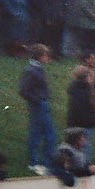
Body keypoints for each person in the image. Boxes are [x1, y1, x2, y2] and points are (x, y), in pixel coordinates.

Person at [19, 44, 57, 175]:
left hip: (42, 104)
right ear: (40, 56)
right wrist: (38, 100)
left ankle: (39, 162)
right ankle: (37, 163)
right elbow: (23, 91)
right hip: (38, 105)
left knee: (41, 133)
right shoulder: (31, 70)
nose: (48, 58)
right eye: (46, 55)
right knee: (46, 134)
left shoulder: (38, 68)